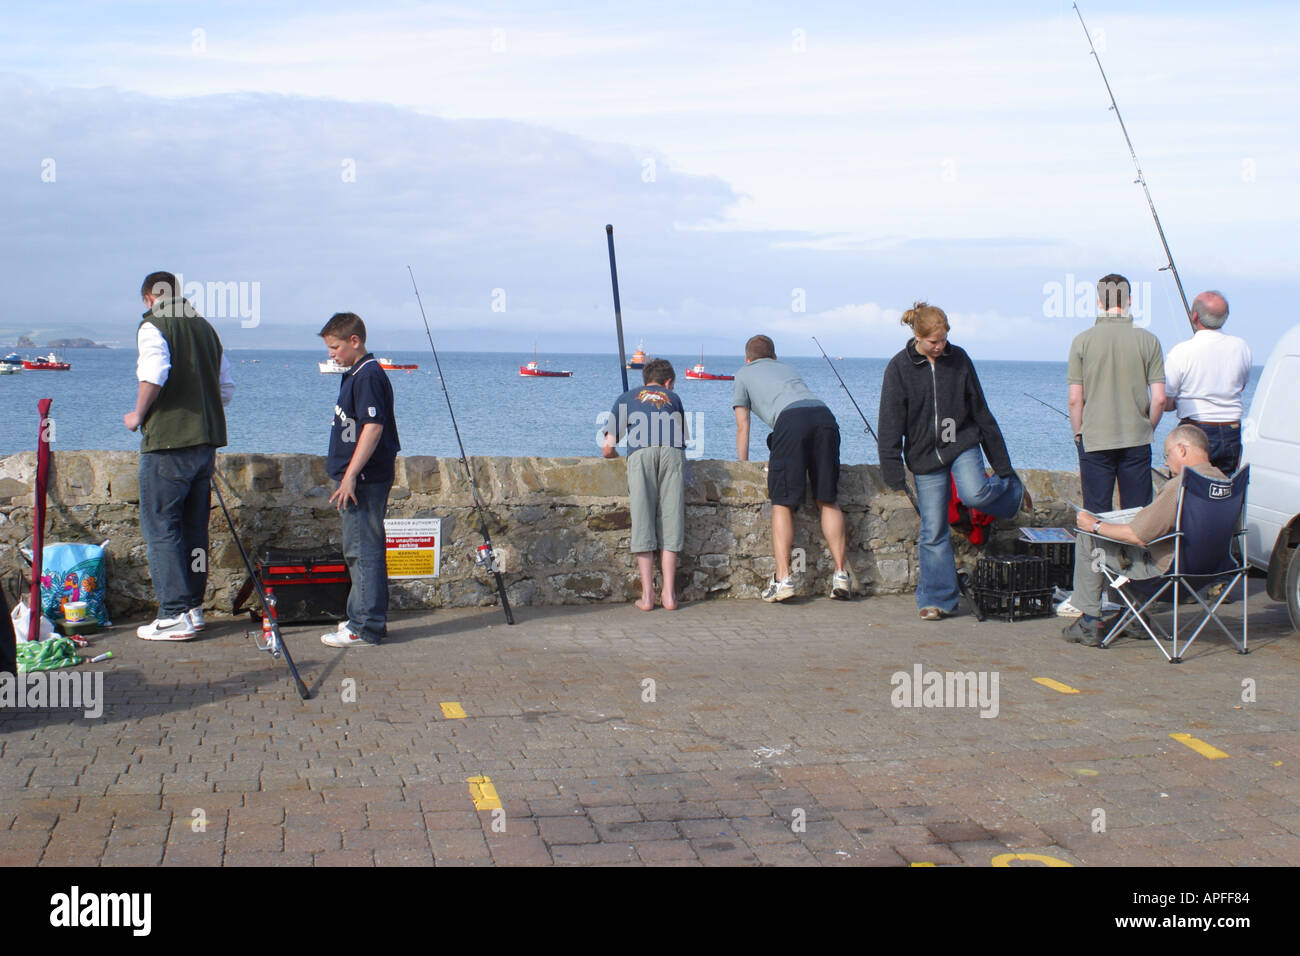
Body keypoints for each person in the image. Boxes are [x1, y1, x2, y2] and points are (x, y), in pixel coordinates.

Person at [878, 302, 1030, 621]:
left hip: (961, 441)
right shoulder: (899, 368)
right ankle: (937, 599)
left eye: (944, 339)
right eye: (933, 341)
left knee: (974, 493)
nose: (940, 346)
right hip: (923, 457)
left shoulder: (959, 360)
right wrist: (891, 467)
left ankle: (1013, 494)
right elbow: (890, 421)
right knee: (933, 529)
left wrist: (1003, 468)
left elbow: (982, 412)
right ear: (917, 336)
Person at [125, 271, 234, 641]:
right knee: (193, 529)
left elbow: (154, 373)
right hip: (206, 445)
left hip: (168, 444)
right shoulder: (206, 329)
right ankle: (193, 608)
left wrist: (137, 416)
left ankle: (172, 614)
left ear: (148, 298)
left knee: (161, 527)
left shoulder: (153, 325)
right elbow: (227, 390)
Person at [1063, 424, 1226, 645]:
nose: (1167, 462)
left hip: (1168, 574)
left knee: (1089, 537)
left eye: (1167, 455)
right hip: (1209, 572)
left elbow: (1137, 536)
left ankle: (1090, 621)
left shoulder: (1182, 486)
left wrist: (1095, 525)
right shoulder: (1225, 483)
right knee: (1133, 547)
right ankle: (1133, 619)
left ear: (1182, 450)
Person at [733, 335, 851, 602]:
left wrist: (742, 464)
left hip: (790, 420)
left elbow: (743, 424)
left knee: (783, 502)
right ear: (774, 356)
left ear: (747, 358)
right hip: (824, 417)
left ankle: (783, 578)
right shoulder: (788, 369)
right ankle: (841, 575)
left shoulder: (742, 374)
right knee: (827, 499)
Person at [318, 313, 401, 648]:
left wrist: (350, 475)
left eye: (335, 347)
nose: (331, 354)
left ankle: (365, 626)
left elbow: (373, 426)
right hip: (358, 476)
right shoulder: (354, 374)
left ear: (355, 341)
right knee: (358, 548)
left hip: (365, 478)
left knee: (362, 549)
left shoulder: (367, 376)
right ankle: (360, 618)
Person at [1067, 274, 1166, 512]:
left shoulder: (1081, 342)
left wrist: (1079, 434)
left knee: (1096, 513)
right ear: (1130, 300)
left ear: (1099, 301)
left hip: (1095, 439)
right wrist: (1147, 428)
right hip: (1136, 438)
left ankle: (1100, 550)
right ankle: (1133, 551)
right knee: (1137, 514)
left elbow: (1074, 400)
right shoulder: (1150, 341)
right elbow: (1160, 399)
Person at [601, 358, 688, 611]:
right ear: (668, 382)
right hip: (672, 453)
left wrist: (618, 456)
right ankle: (669, 596)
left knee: (643, 521)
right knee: (671, 522)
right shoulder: (675, 398)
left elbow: (607, 448)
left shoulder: (626, 397)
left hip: (641, 454)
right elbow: (681, 438)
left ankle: (648, 596)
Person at [1162, 290, 1251, 475]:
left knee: (1189, 489)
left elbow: (1167, 400)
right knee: (1222, 490)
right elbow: (1241, 385)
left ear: (1195, 316)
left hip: (1195, 430)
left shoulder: (1182, 351)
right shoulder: (1241, 347)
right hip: (1231, 430)